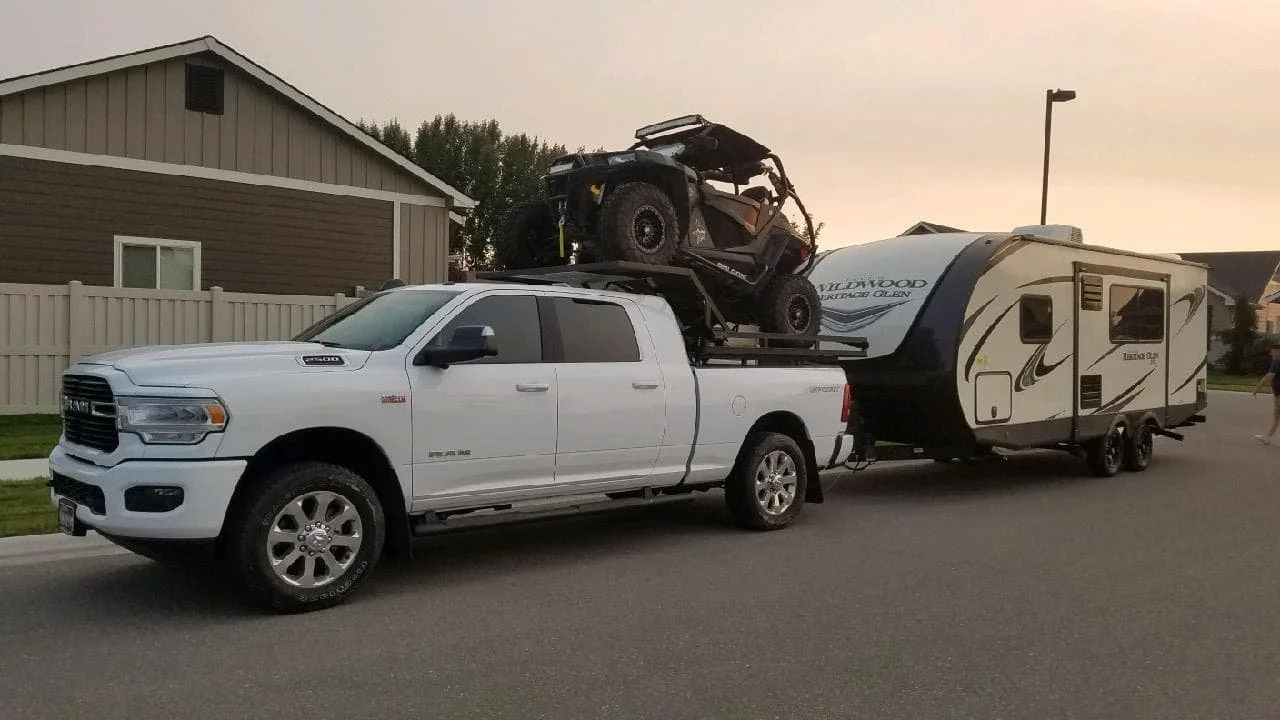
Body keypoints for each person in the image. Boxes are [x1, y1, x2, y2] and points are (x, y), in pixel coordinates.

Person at [1251, 343, 1280, 444]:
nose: (1271, 353)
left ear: (1277, 351)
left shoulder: (1277, 361)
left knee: (1277, 415)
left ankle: (1266, 437)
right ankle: (1267, 437)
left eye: (1272, 351)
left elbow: (1269, 377)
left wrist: (1257, 388)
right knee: (1277, 416)